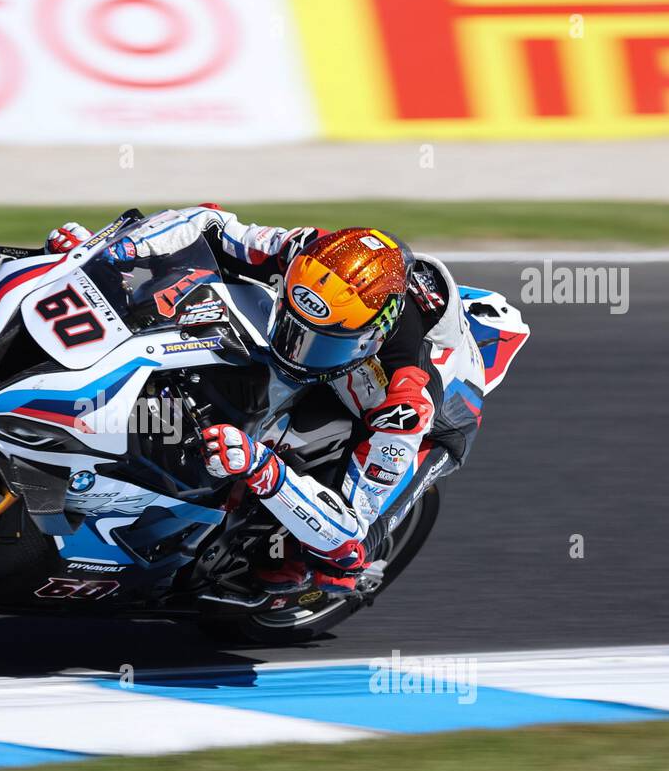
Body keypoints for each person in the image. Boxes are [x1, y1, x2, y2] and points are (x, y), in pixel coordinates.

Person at [45, 206, 486, 593]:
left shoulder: (407, 402)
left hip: (437, 417)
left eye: (319, 342)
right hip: (348, 363)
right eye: (294, 328)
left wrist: (262, 467)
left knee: (345, 555)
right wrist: (113, 251)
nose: (296, 350)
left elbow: (348, 529)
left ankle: (282, 564)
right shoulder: (309, 252)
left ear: (371, 337)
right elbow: (208, 223)